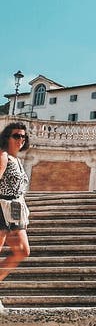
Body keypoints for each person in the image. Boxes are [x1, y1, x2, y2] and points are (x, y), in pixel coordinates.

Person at [0, 122, 31, 296]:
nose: (21, 139)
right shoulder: (3, 156)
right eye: (16, 136)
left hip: (15, 209)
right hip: (1, 206)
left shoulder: (17, 160)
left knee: (22, 250)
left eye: (23, 136)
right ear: (7, 137)